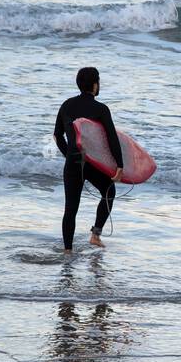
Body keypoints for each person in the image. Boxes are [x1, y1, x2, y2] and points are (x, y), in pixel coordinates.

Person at [53, 67, 122, 253]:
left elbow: (57, 136)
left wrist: (69, 154)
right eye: (98, 81)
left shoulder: (66, 105)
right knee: (109, 191)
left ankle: (68, 251)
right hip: (92, 163)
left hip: (74, 162)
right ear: (94, 84)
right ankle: (95, 235)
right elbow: (112, 139)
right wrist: (119, 165)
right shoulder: (101, 109)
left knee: (70, 209)